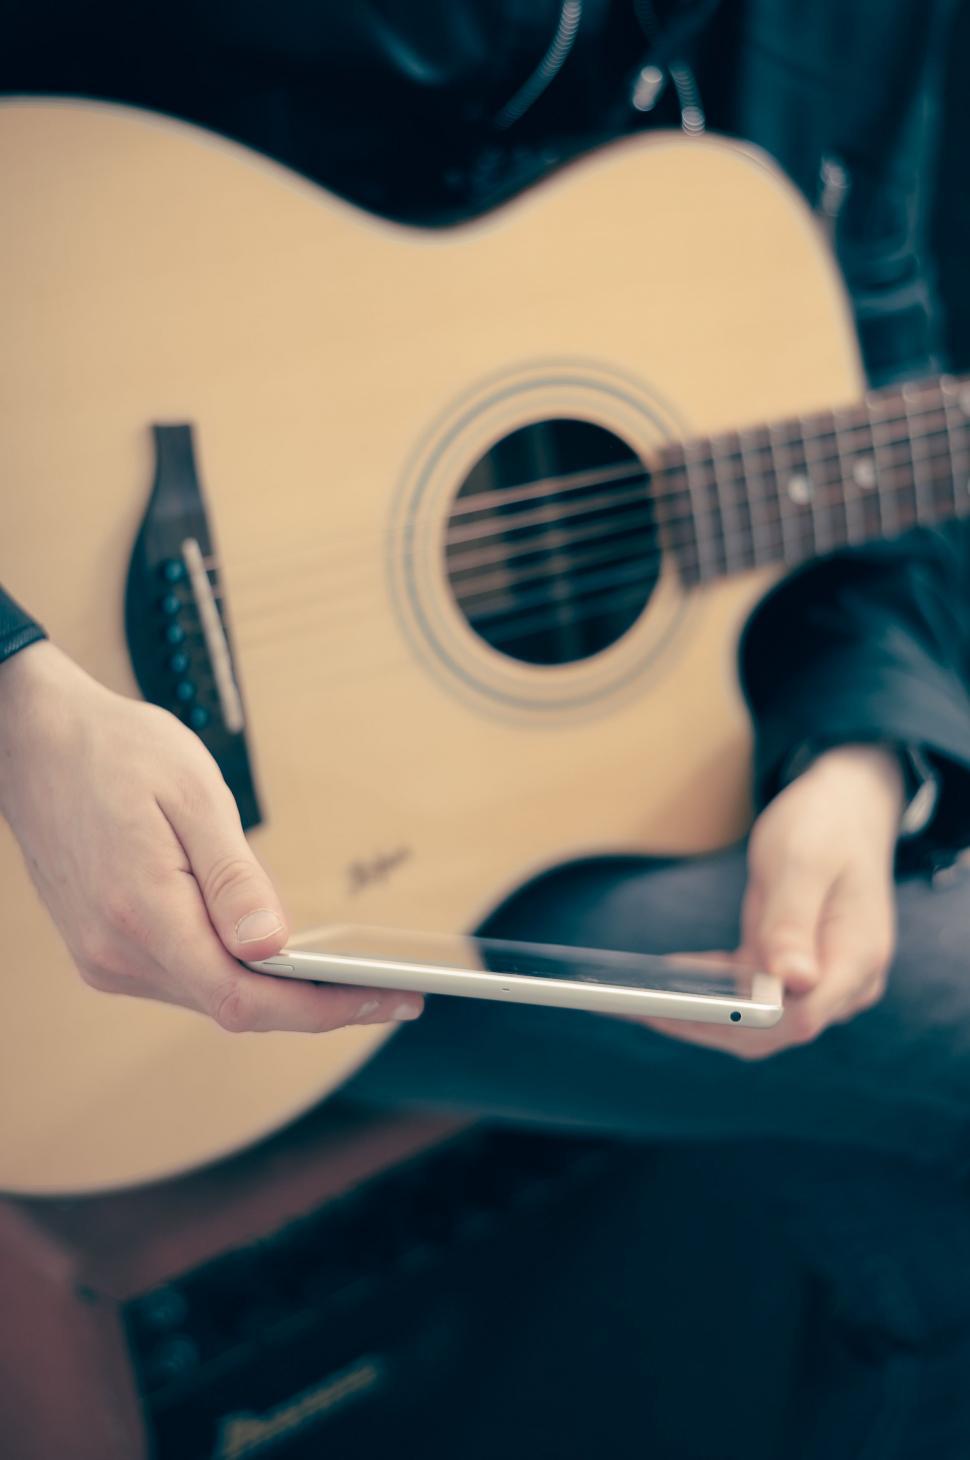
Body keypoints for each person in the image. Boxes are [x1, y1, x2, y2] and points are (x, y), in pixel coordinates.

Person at [1, 3, 969, 1455]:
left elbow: (874, 415)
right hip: (171, 923)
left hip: (539, 819)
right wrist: (19, 690)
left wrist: (859, 753)